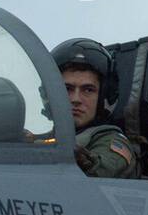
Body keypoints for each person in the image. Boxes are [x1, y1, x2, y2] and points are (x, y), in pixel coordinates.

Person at [51, 38, 139, 179]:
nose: (76, 99)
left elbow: (102, 169)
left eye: (88, 90)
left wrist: (76, 158)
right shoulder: (41, 139)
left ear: (105, 96)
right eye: (67, 89)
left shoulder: (114, 142)